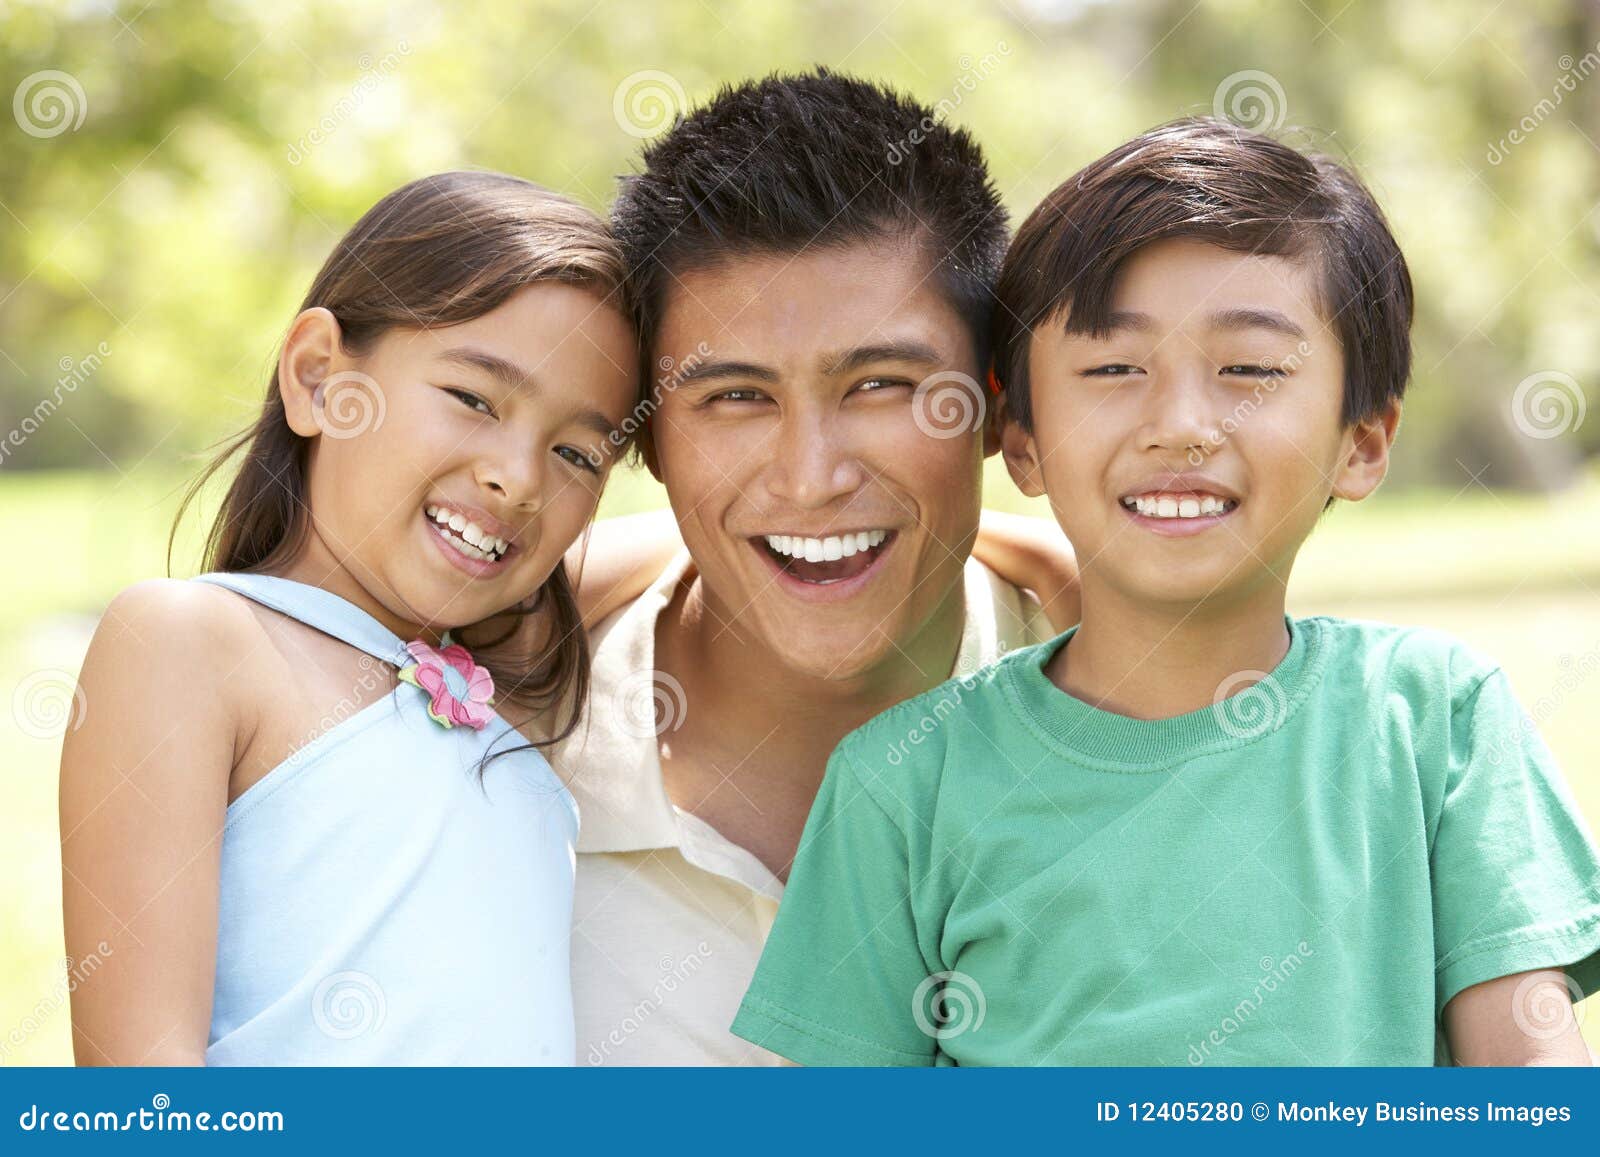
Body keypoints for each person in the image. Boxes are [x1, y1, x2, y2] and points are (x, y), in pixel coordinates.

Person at [732, 118, 1600, 1066]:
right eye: (1113, 369)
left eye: (1251, 370)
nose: (1181, 424)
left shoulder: (1437, 722)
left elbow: (1537, 1098)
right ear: (1020, 441)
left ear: (1364, 442)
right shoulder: (903, 783)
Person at [555, 70, 1079, 1066]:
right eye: (737, 397)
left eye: (881, 383)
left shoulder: (1152, 722)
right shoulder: (491, 749)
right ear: (649, 436)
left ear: (995, 403)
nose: (811, 477)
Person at [60, 171, 643, 1065]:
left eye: (576, 452)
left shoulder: (501, 674)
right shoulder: (196, 643)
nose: (521, 480)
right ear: (319, 377)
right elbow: (141, 1092)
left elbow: (711, 534)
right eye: (475, 399)